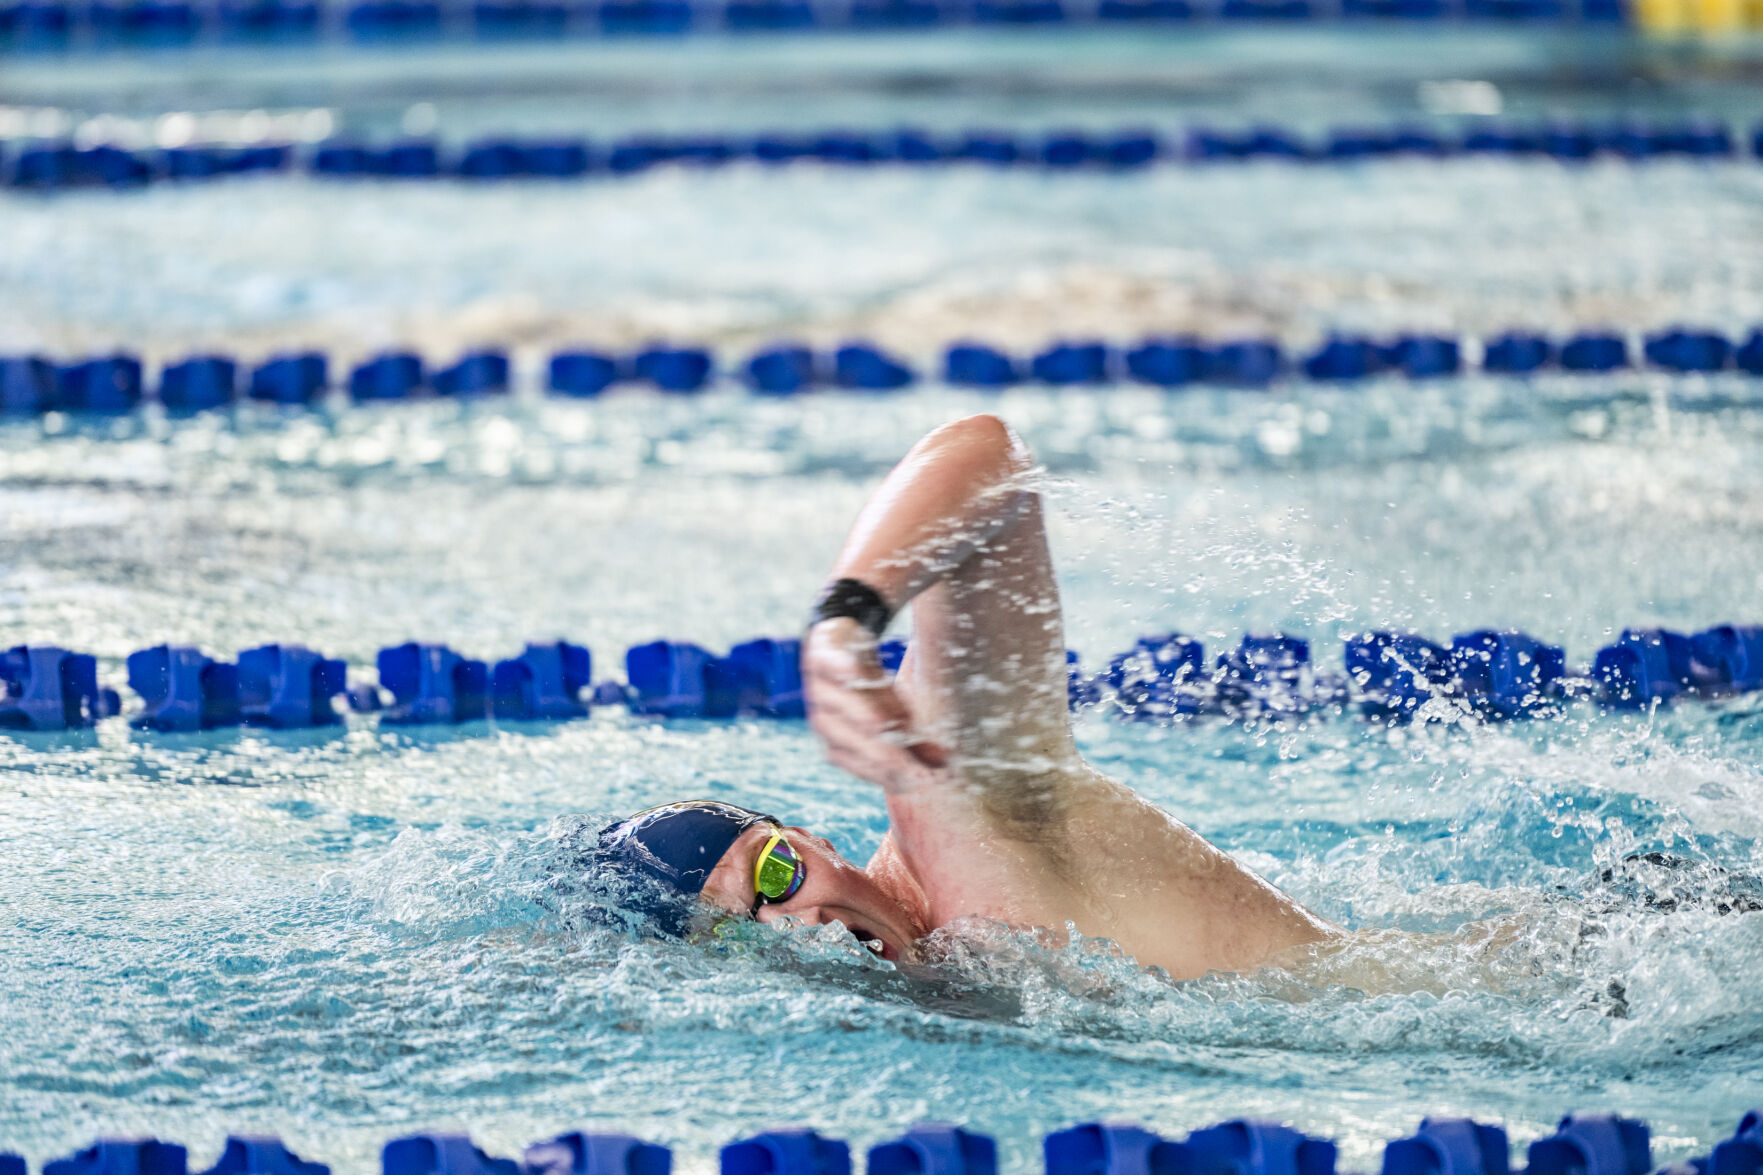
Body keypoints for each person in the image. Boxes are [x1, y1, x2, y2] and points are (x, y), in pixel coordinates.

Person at [596, 413, 1338, 982]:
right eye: (737, 932)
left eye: (776, 873)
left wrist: (845, 619)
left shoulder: (957, 819)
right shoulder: (928, 990)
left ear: (814, 839)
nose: (804, 921)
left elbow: (987, 455)